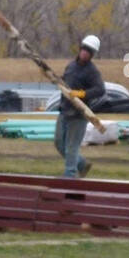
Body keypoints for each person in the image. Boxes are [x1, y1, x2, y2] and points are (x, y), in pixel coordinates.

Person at [55, 34, 105, 178]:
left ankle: (70, 175)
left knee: (71, 147)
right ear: (80, 48)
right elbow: (64, 83)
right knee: (59, 144)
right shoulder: (71, 66)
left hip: (78, 115)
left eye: (89, 51)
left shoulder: (92, 71)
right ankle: (82, 164)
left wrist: (82, 94)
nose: (85, 52)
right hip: (64, 110)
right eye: (84, 49)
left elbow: (100, 90)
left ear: (92, 54)